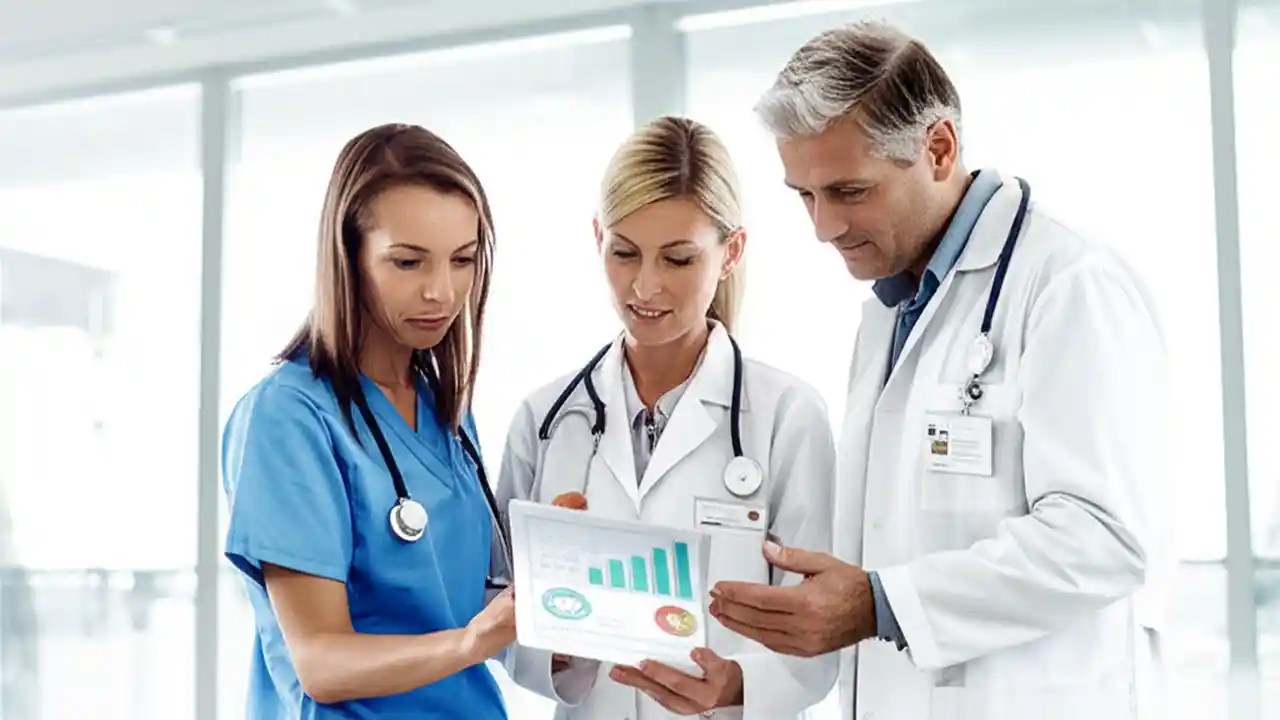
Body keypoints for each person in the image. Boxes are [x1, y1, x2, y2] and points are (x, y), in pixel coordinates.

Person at [707, 20, 1173, 720]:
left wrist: (884, 603)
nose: (823, 227)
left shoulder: (1068, 284)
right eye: (804, 195)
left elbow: (1104, 538)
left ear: (939, 148)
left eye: (848, 191)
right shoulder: (891, 312)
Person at [496, 116, 838, 719]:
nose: (645, 286)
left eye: (678, 259)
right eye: (624, 253)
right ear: (597, 237)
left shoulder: (786, 417)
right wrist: (555, 645)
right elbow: (500, 601)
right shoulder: (548, 419)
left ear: (730, 252)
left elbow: (823, 628)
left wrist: (737, 684)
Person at [221, 123, 516, 719]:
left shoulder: (447, 415)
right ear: (347, 257)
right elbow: (321, 663)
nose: (442, 292)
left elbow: (472, 601)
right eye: (408, 262)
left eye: (462, 261)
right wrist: (475, 641)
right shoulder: (291, 417)